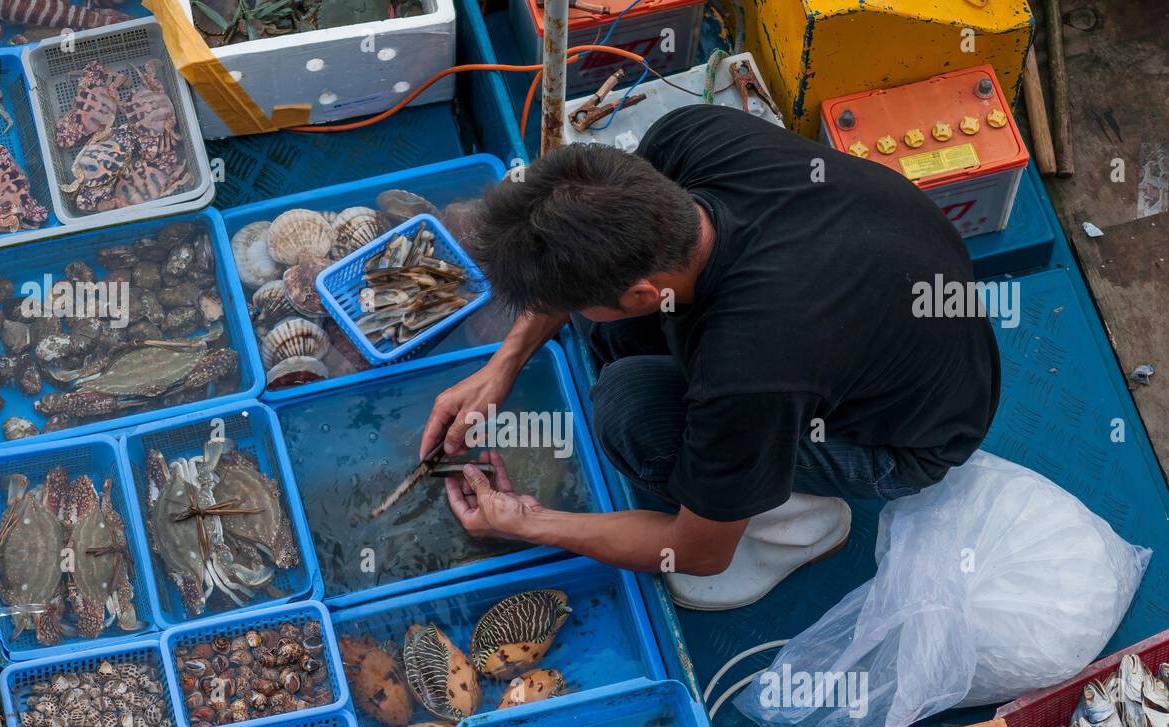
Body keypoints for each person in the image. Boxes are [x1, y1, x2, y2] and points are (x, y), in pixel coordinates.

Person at [420, 105, 1000, 611]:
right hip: (892, 316)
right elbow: (593, 281)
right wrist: (501, 368)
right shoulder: (689, 140)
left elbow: (695, 554)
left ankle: (789, 526)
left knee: (631, 413)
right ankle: (739, 482)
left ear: (644, 294)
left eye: (569, 303)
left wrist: (527, 523)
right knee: (610, 339)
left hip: (900, 442)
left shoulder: (752, 365)